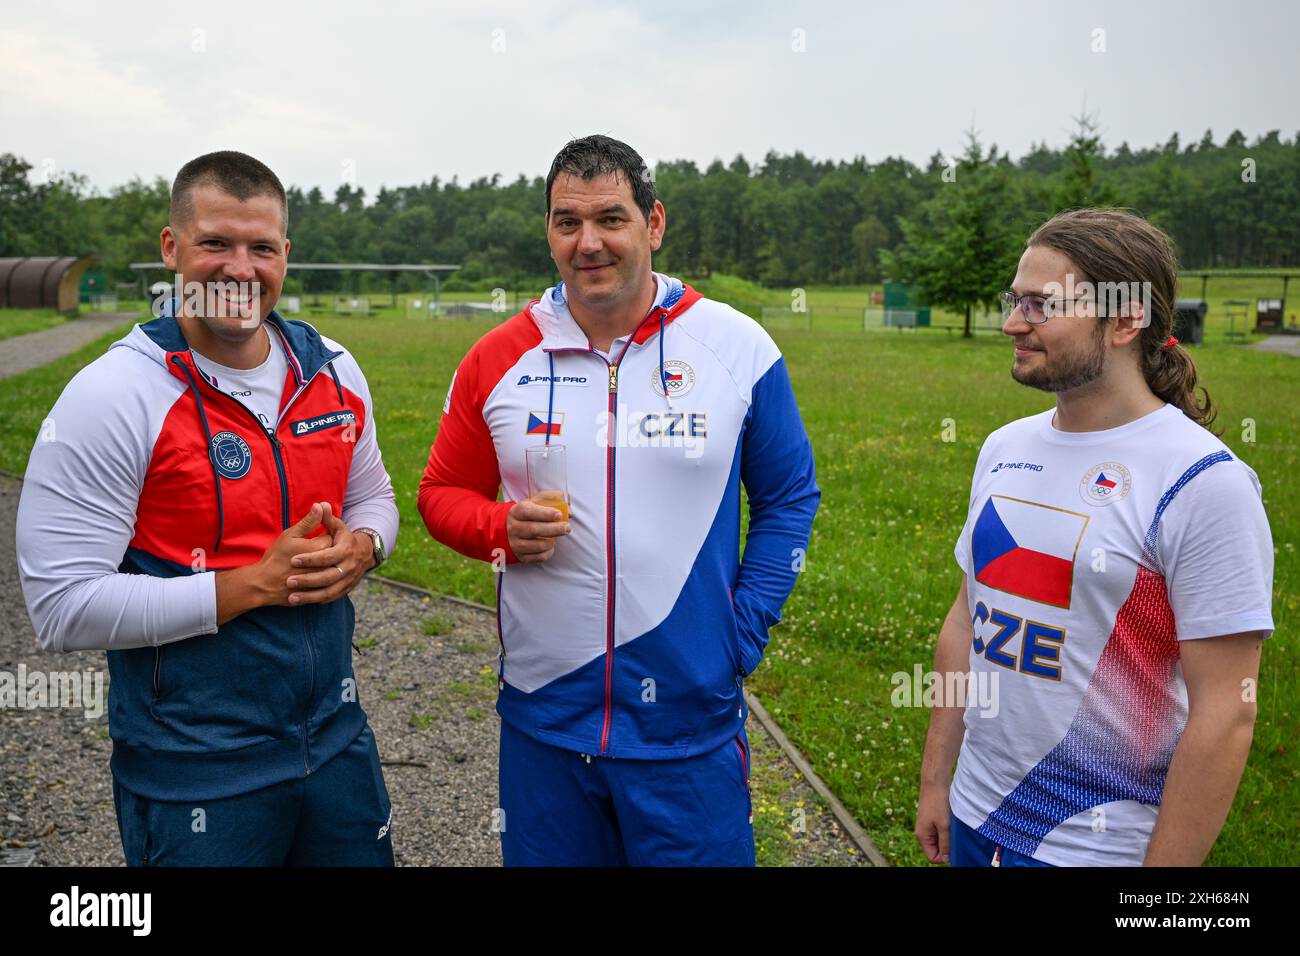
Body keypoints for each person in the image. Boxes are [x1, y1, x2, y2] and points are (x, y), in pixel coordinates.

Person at [418, 134, 820, 866]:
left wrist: (746, 625)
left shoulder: (737, 348)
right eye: (567, 222)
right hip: (547, 721)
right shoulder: (497, 358)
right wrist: (497, 527)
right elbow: (440, 493)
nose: (588, 242)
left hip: (687, 728)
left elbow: (790, 496)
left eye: (611, 218)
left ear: (654, 224)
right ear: (548, 232)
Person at [16, 150, 399, 866]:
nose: (239, 269)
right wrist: (253, 584)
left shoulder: (334, 370)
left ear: (286, 253)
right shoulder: (114, 396)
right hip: (195, 767)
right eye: (215, 243)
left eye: (261, 247)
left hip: (338, 740)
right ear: (171, 248)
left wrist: (369, 544)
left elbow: (373, 496)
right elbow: (61, 607)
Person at [914, 208, 1274, 867]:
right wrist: (937, 780)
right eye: (1012, 299)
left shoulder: (1204, 482)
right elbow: (967, 620)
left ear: (1126, 319)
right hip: (974, 817)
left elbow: (1226, 713)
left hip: (1093, 847)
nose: (1011, 322)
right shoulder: (1004, 448)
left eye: (1038, 304)